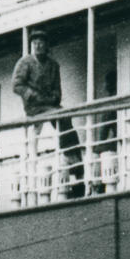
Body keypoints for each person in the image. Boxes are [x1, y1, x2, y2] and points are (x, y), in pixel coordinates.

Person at [15, 32, 85, 198]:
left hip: (50, 105)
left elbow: (57, 91)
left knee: (66, 120)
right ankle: (73, 167)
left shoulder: (54, 65)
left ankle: (75, 166)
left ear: (47, 45)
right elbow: (17, 85)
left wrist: (53, 97)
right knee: (60, 116)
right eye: (35, 43)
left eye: (41, 42)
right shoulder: (25, 63)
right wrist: (32, 95)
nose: (38, 46)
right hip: (34, 107)